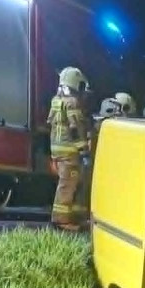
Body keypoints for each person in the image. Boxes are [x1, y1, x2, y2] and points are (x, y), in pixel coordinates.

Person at [47, 66, 91, 231]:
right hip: (69, 152)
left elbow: (50, 124)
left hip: (57, 150)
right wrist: (83, 150)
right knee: (67, 185)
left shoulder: (56, 101)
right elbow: (75, 128)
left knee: (72, 184)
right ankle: (60, 220)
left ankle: (75, 217)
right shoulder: (72, 102)